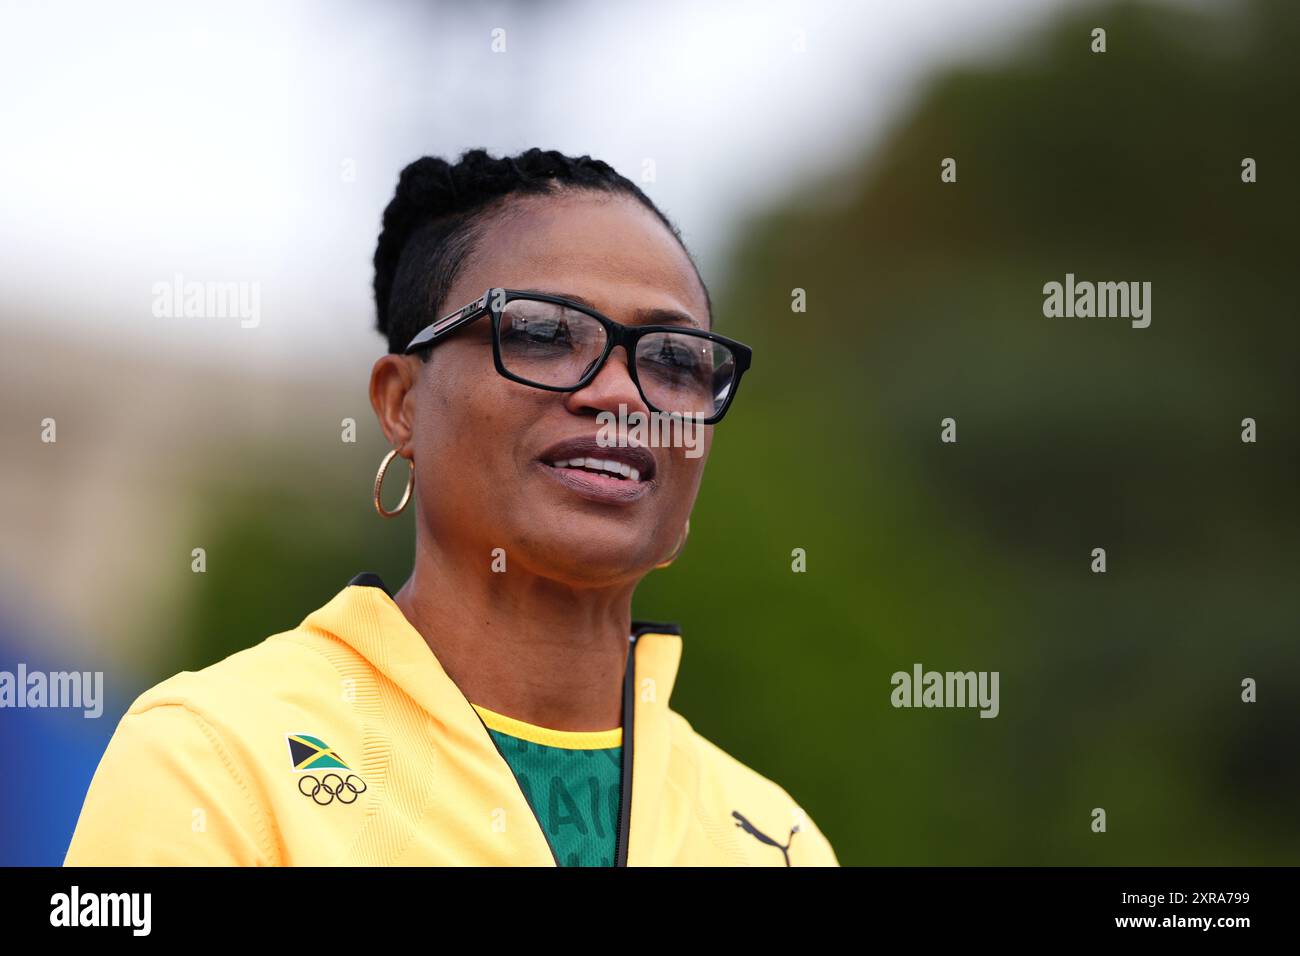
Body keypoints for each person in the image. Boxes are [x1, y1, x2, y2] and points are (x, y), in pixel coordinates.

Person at [64, 147, 838, 866]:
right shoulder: (215, 758)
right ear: (401, 404)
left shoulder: (778, 838)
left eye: (673, 360)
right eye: (541, 333)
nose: (618, 394)